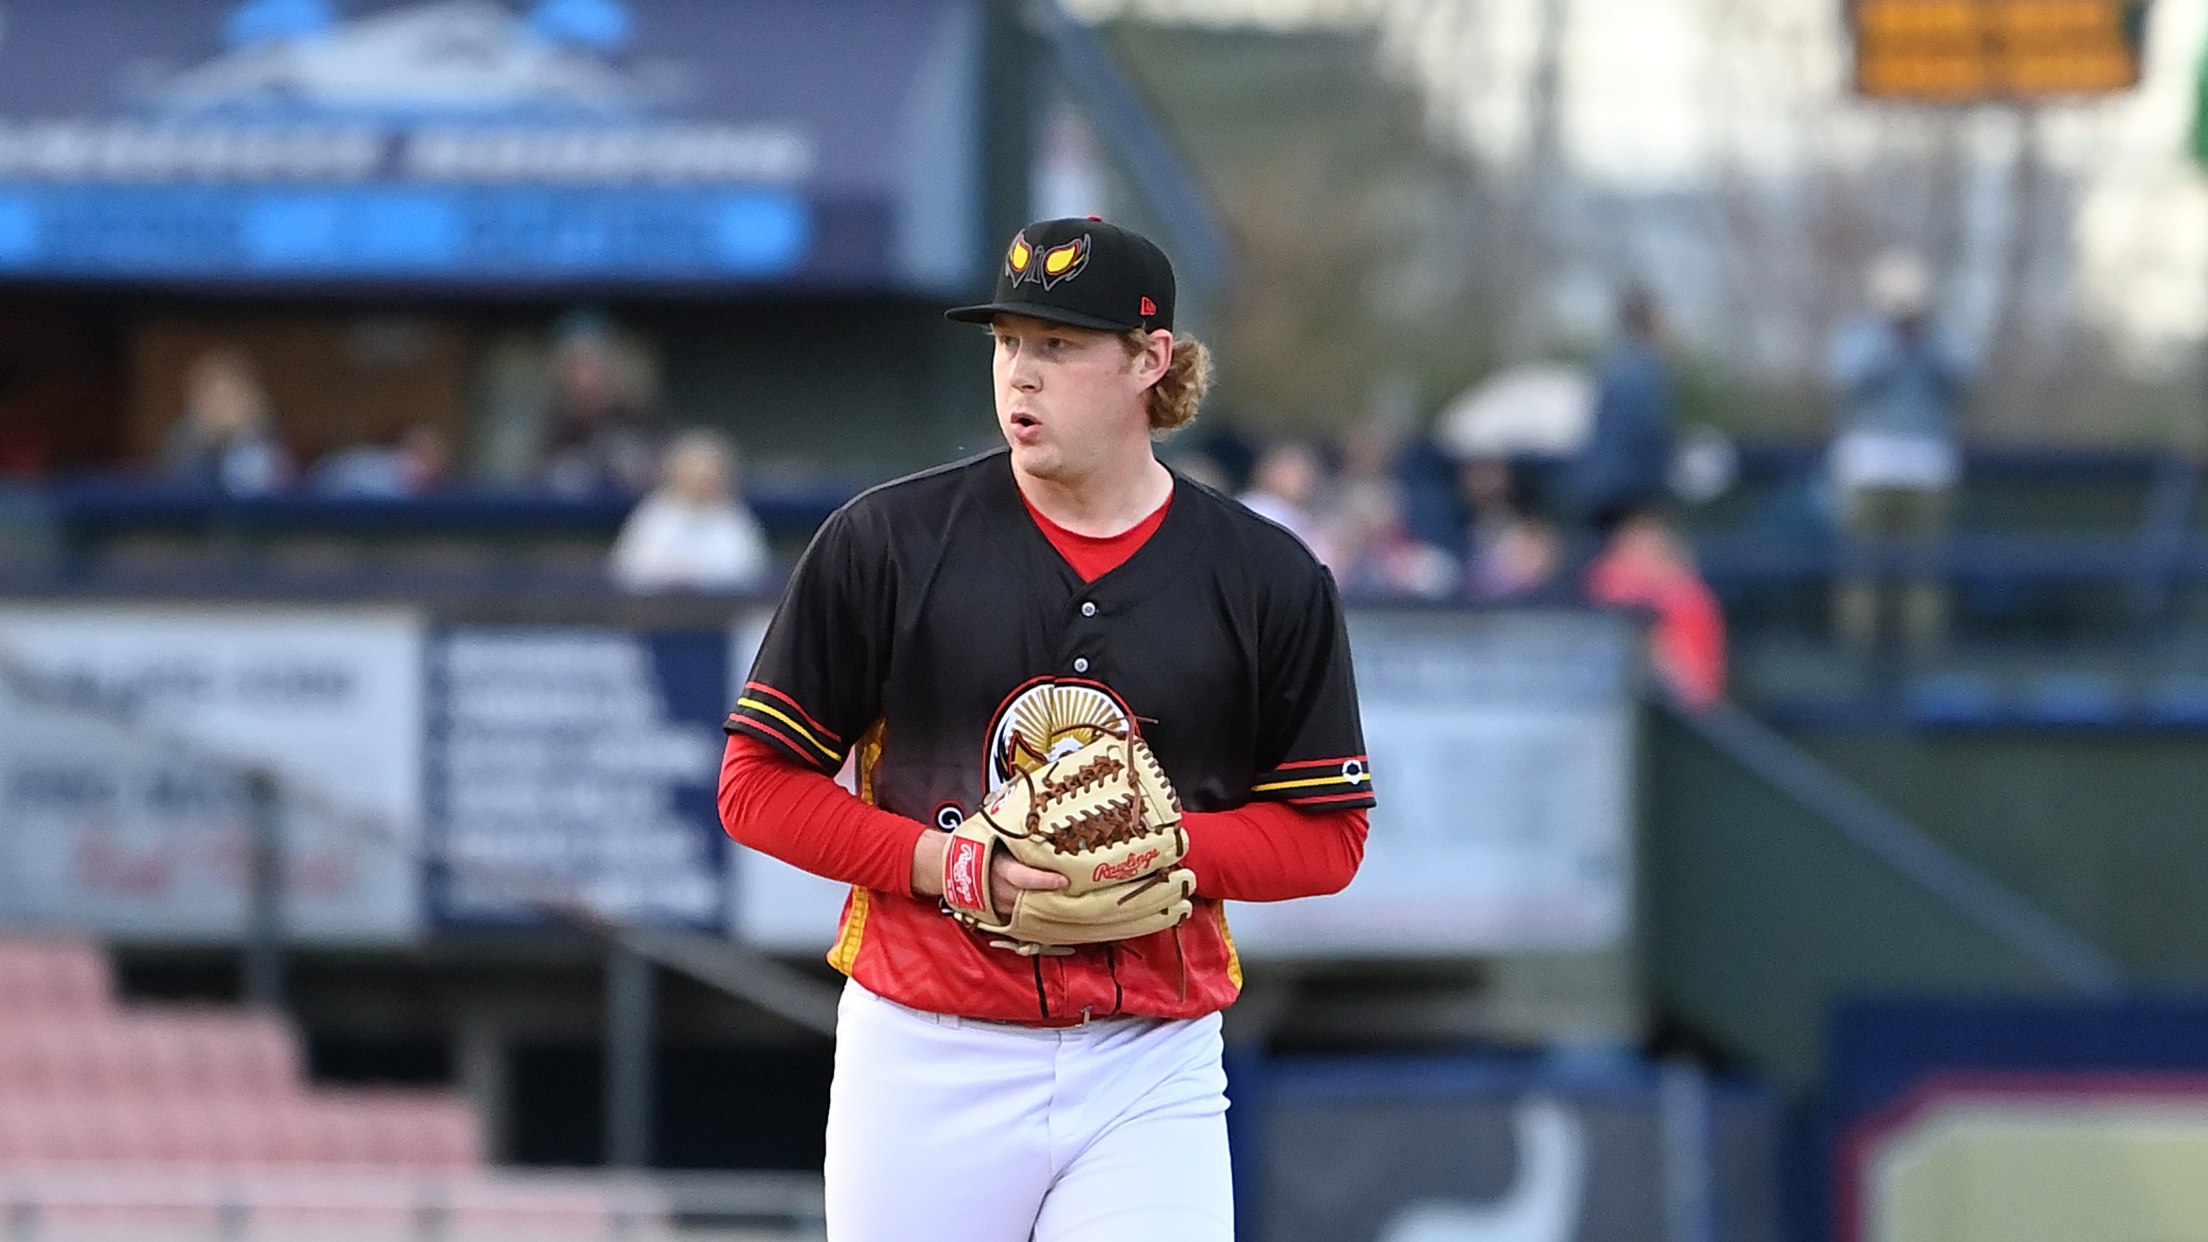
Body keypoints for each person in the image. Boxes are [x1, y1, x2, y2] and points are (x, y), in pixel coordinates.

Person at [716, 217, 1373, 1240]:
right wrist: (948, 865)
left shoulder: (1266, 576)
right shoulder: (887, 541)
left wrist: (1165, 851)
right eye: (1007, 341)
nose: (1020, 373)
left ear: (1150, 360)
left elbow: (1330, 835)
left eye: (1059, 345)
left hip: (1149, 1055)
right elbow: (754, 786)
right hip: (928, 1046)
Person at [1826, 249, 1969, 652]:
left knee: (1925, 572)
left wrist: (1924, 342)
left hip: (1928, 469)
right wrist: (1891, 342)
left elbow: (1961, 378)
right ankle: (1857, 653)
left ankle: (1923, 656)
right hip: (1869, 467)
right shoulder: (1861, 334)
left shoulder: (1941, 336)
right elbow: (1847, 378)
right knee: (1862, 568)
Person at [1582, 510, 1726, 710]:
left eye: (1646, 549)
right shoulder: (1603, 587)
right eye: (1627, 548)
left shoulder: (1688, 601)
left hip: (1664, 712)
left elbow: (1696, 694)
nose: (1630, 560)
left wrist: (1656, 646)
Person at [1563, 286, 1675, 536]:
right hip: (1625, 493)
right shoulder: (1644, 372)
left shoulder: (1609, 365)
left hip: (1597, 486)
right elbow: (1646, 435)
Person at [607, 428, 770, 593]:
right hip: (659, 605)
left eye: (708, 476)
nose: (701, 482)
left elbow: (751, 572)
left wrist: (700, 575)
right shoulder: (655, 513)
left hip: (724, 605)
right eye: (693, 473)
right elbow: (628, 570)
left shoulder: (735, 518)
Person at [534, 311, 664, 497]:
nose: (587, 377)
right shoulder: (554, 430)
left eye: (595, 363)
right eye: (576, 366)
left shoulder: (641, 419)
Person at [160, 347, 289, 495]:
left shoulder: (270, 442)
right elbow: (177, 487)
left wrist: (242, 437)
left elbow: (277, 488)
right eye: (213, 396)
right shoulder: (182, 443)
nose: (221, 406)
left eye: (230, 395)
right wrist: (208, 439)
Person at [1236, 439, 1327, 550]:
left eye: (1305, 471)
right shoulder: (1254, 507)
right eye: (1291, 470)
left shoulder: (1303, 518)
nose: (1301, 479)